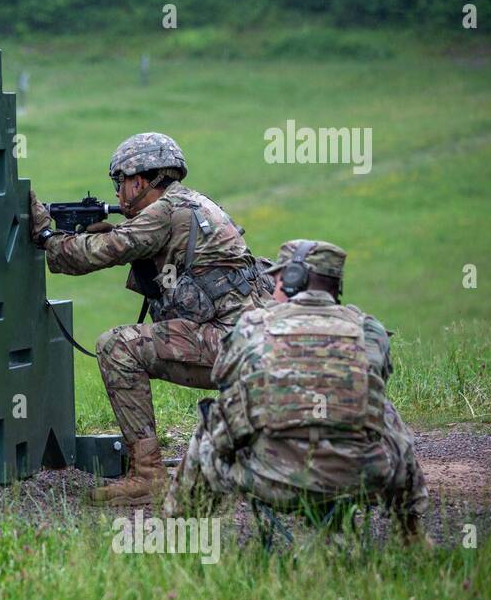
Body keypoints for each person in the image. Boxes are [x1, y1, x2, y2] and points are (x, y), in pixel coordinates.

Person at [30, 132, 270, 506]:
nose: (118, 194)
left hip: (231, 348)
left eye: (120, 183)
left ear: (138, 181)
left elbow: (88, 256)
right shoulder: (192, 203)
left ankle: (147, 476)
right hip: (255, 347)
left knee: (118, 346)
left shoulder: (162, 213)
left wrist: (47, 235)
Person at [163, 239, 430, 545]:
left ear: (292, 280)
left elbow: (223, 378)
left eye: (277, 279)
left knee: (211, 420)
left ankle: (177, 533)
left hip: (270, 479)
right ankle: (410, 533)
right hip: (359, 478)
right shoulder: (368, 330)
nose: (272, 287)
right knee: (385, 410)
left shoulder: (254, 326)